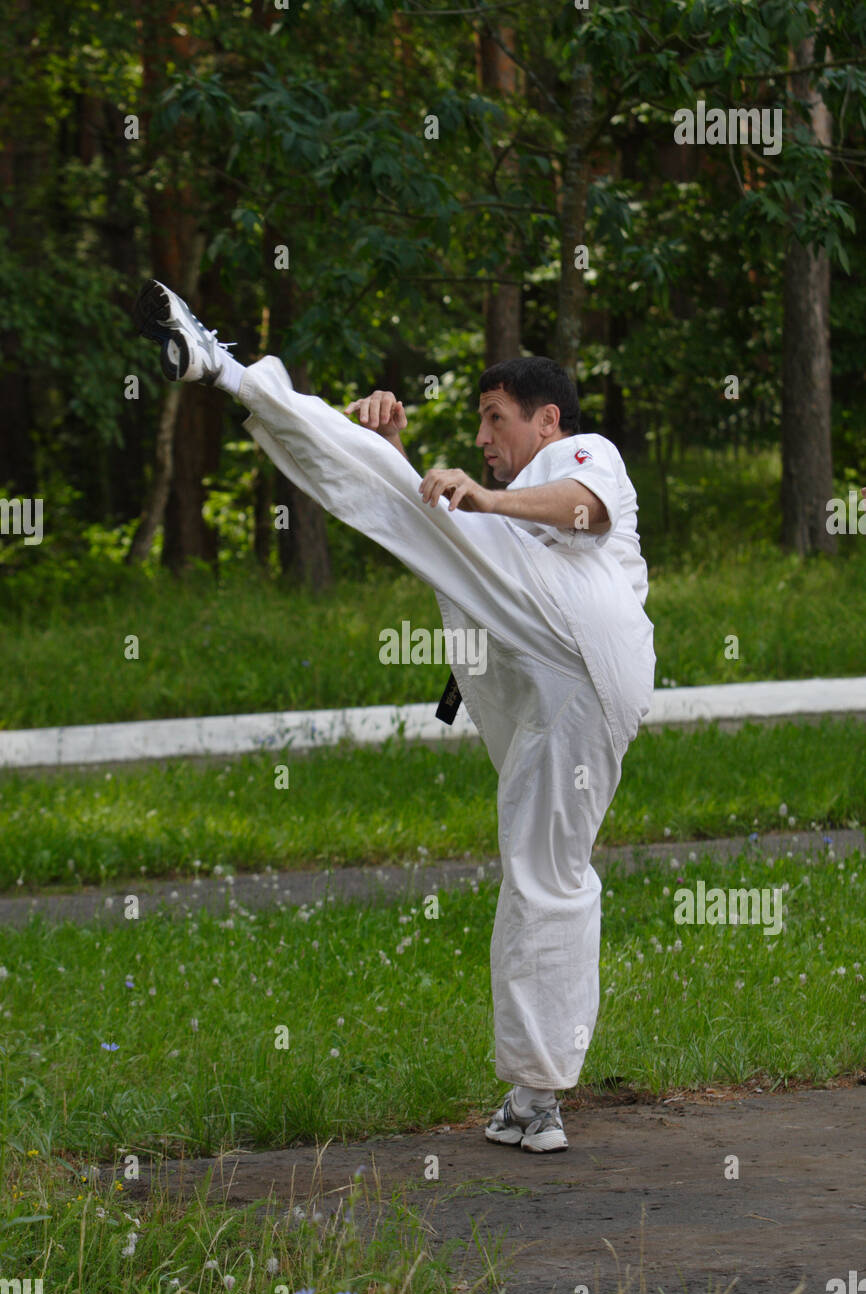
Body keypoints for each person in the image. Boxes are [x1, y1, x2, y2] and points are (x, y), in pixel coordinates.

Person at [133, 278, 656, 1153]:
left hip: (590, 638)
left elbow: (581, 513)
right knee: (545, 874)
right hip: (565, 697)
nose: (485, 438)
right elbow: (457, 535)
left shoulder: (585, 454)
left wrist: (478, 499)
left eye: (497, 419)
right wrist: (381, 441)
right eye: (482, 424)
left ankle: (229, 368)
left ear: (548, 422)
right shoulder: (503, 511)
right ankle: (536, 1100)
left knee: (422, 509)